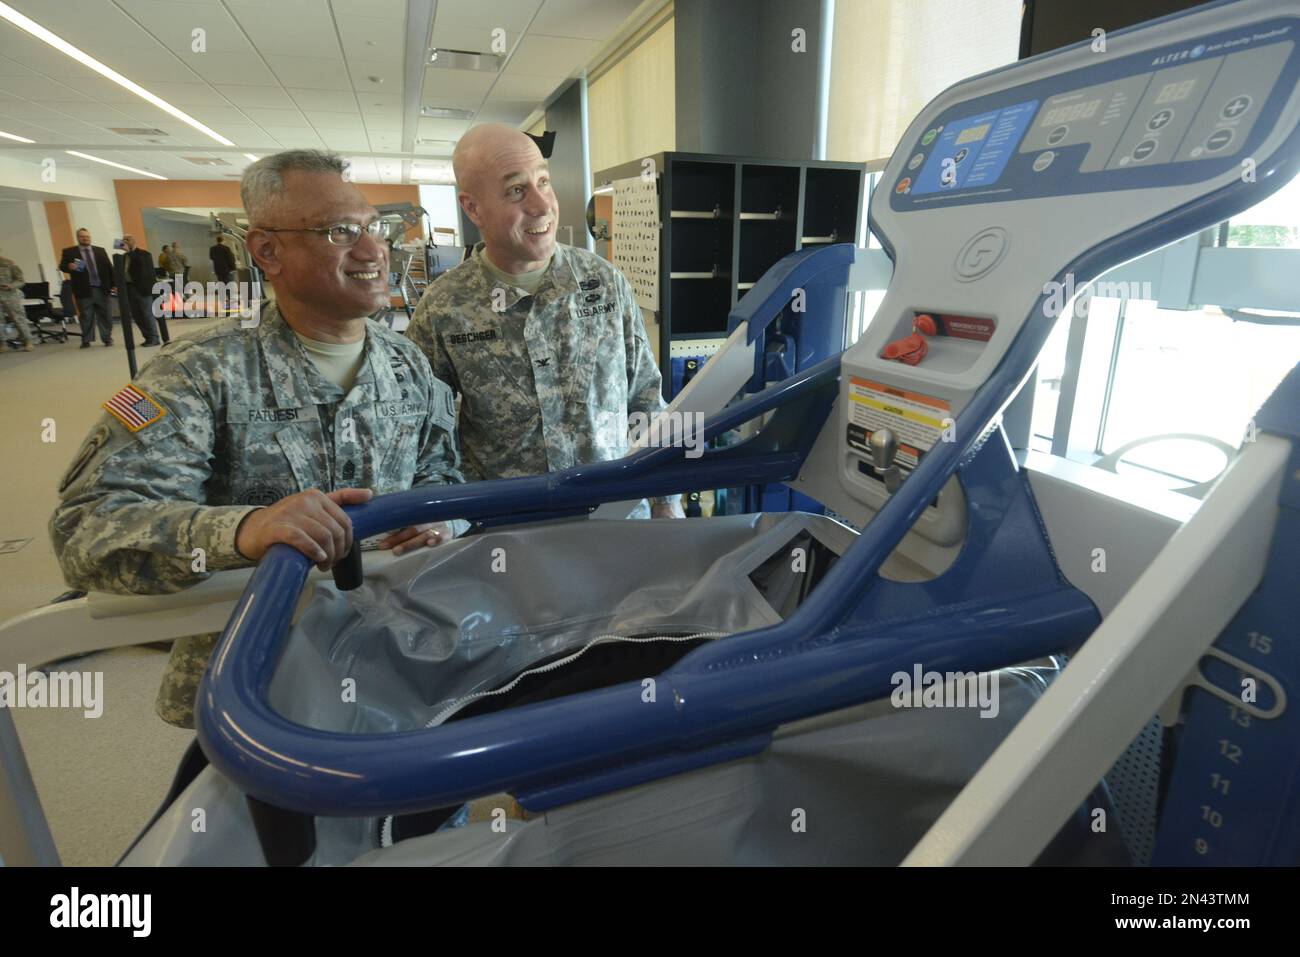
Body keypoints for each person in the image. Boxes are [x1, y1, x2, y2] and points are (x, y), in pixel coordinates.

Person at [50, 149, 466, 728]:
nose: (374, 251)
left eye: (377, 228)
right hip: (255, 693)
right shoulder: (195, 371)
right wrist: (243, 530)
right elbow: (86, 529)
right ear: (267, 250)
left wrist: (442, 519)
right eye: (340, 232)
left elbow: (443, 474)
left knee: (418, 816)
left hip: (396, 666)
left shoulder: (407, 363)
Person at [407, 123, 683, 519]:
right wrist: (446, 519)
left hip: (615, 519)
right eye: (516, 190)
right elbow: (426, 437)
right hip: (507, 532)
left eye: (544, 182)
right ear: (473, 208)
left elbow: (645, 397)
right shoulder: (444, 307)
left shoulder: (603, 282)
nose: (543, 205)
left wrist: (666, 500)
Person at [58, 228, 114, 348]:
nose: (85, 238)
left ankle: (107, 338)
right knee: (86, 316)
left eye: (87, 237)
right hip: (83, 289)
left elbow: (109, 268)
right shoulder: (69, 252)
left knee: (105, 315)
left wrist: (114, 285)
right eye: (82, 237)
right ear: (78, 238)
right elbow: (62, 266)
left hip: (101, 288)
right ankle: (86, 339)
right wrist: (69, 267)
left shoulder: (100, 251)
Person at [120, 234, 163, 345]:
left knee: (147, 313)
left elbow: (140, 265)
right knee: (137, 315)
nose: (126, 242)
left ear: (134, 241)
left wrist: (130, 251)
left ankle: (155, 338)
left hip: (142, 289)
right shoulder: (124, 257)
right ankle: (147, 337)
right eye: (124, 240)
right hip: (129, 288)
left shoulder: (144, 254)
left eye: (128, 239)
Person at [0, 251, 35, 351]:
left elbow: (20, 280)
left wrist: (10, 286)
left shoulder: (8, 263)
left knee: (18, 319)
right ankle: (2, 343)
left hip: (10, 295)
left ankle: (28, 341)